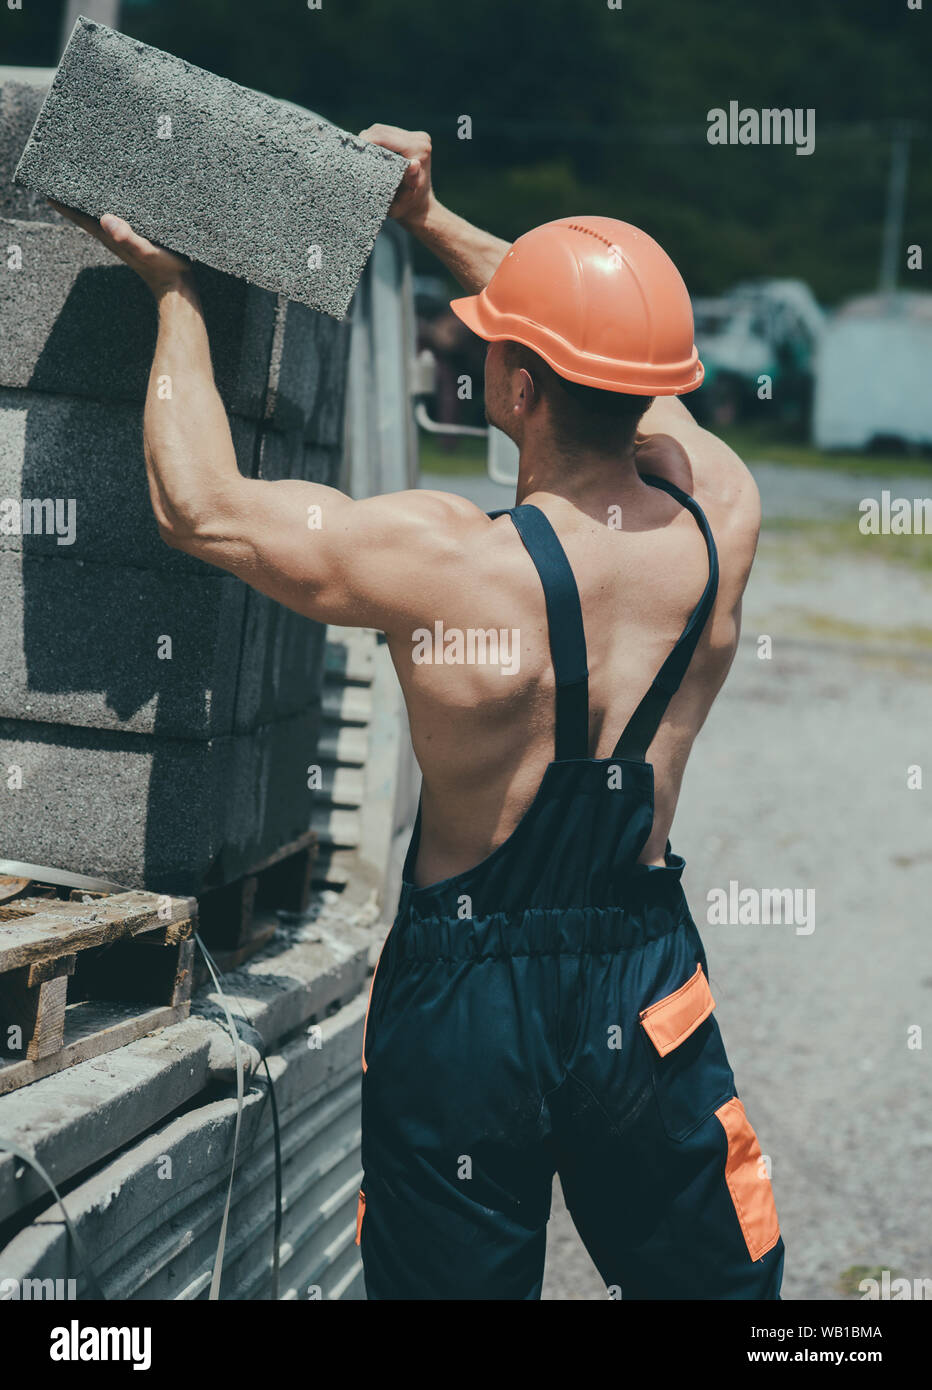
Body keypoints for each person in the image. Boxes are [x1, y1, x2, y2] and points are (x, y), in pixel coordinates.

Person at [53, 122, 783, 1301]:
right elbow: (616, 365)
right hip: (643, 982)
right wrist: (432, 219)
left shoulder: (445, 562)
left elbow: (202, 506)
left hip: (468, 1009)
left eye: (495, 347)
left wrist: (174, 294)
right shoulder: (719, 522)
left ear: (516, 384)